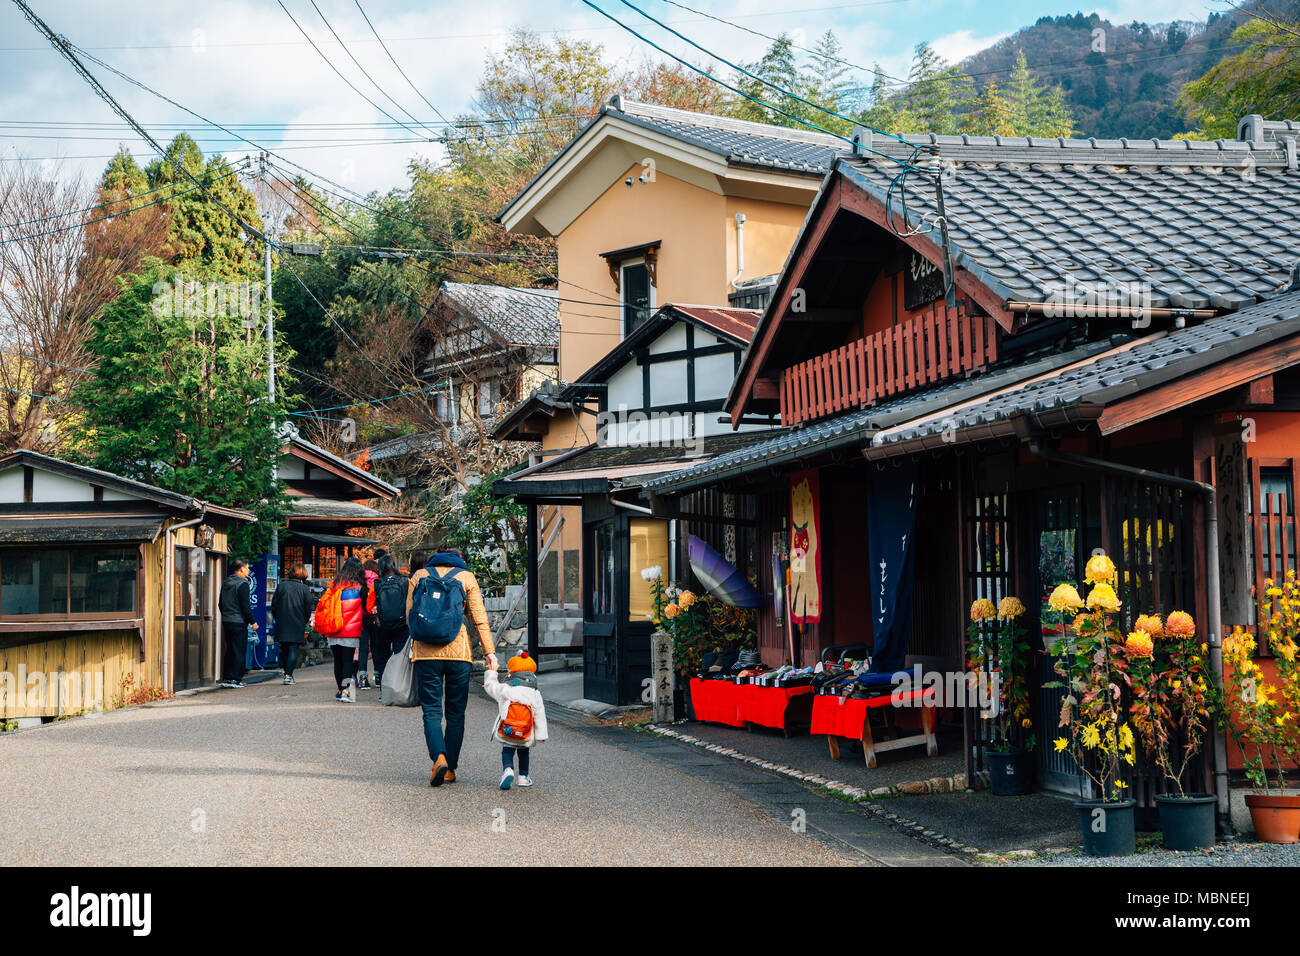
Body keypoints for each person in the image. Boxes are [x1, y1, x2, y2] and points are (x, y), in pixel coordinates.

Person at [406, 548, 497, 786]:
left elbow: (410, 616)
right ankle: (450, 769)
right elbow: (479, 617)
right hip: (459, 653)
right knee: (456, 713)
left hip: (426, 653)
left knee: (432, 711)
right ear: (460, 559)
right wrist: (490, 653)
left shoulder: (419, 576)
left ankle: (439, 758)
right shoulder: (466, 577)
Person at [485, 651, 548, 790]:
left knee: (507, 750)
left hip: (507, 730)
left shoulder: (506, 688)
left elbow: (490, 688)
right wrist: (541, 735)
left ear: (511, 671)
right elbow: (539, 714)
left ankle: (508, 770)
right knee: (523, 752)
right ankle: (523, 777)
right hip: (525, 732)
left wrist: (491, 673)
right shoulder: (534, 693)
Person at [328, 557, 373, 702]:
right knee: (347, 661)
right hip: (350, 630)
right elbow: (367, 607)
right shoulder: (360, 587)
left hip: (334, 628)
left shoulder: (334, 585)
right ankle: (346, 691)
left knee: (337, 661)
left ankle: (340, 689)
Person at [271, 563, 313, 685]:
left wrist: (277, 618)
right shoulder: (304, 589)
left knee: (284, 649)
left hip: (282, 621)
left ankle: (286, 672)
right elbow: (308, 608)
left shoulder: (281, 586)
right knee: (293, 648)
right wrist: (304, 620)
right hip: (297, 622)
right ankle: (289, 675)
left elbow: (274, 605)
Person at [371, 553, 409, 686]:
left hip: (383, 624)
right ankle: (399, 685)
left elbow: (369, 605)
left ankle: (384, 687)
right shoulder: (405, 581)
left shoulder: (377, 583)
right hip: (402, 624)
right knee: (400, 654)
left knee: (383, 656)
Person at [219, 559, 256, 688]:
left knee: (230, 649)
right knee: (239, 650)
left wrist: (226, 615)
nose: (248, 570)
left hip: (227, 620)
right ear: (241, 569)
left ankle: (227, 678)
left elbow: (220, 604)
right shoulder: (242, 584)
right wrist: (252, 621)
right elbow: (246, 606)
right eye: (247, 568)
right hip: (239, 621)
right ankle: (236, 679)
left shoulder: (226, 583)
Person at [357, 559, 381, 690]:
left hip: (361, 618)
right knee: (376, 646)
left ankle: (363, 678)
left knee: (363, 648)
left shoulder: (359, 580)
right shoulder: (378, 581)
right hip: (375, 617)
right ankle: (377, 676)